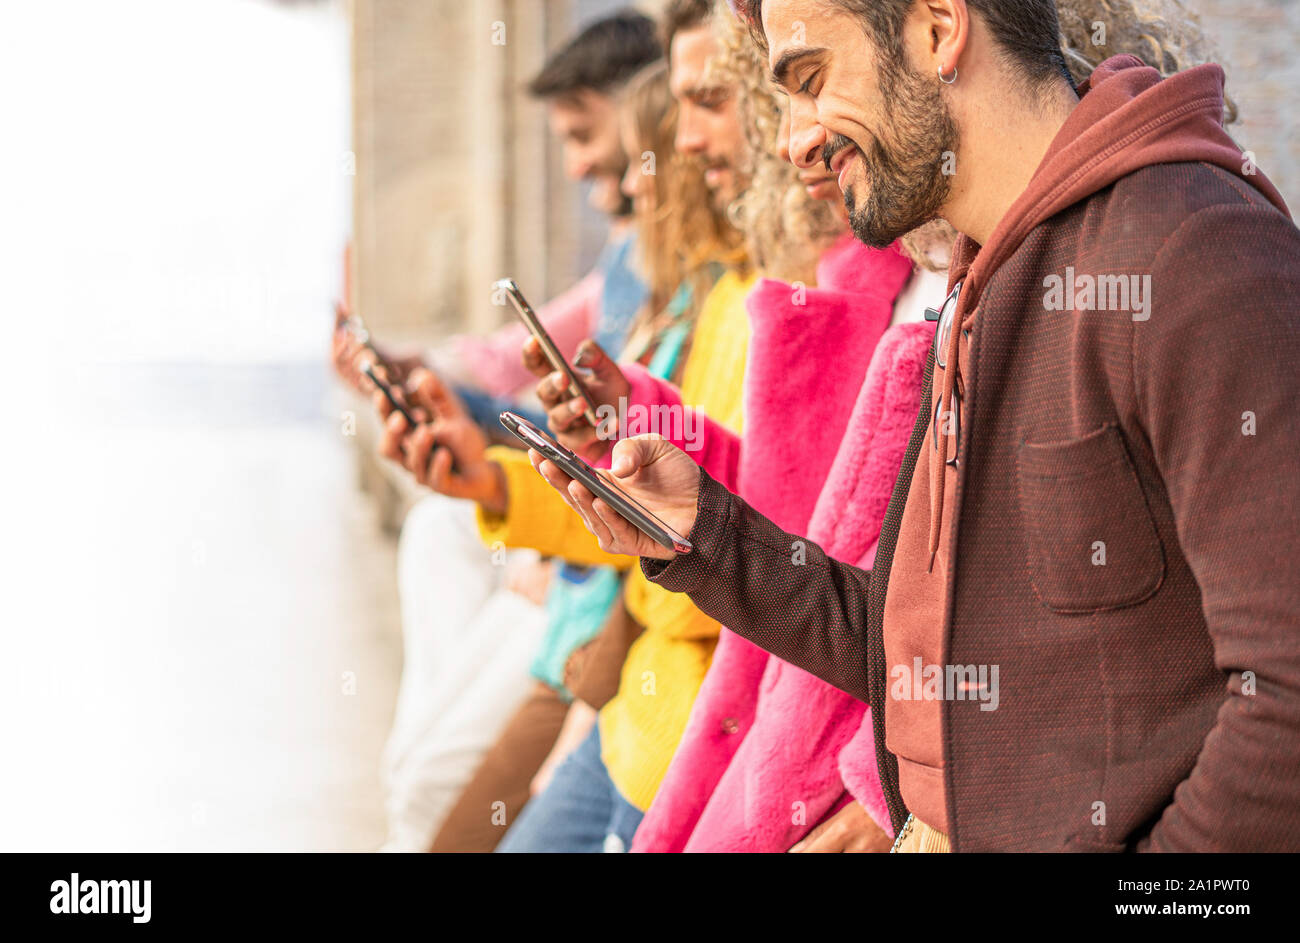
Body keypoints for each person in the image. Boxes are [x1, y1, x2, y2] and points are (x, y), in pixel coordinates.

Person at [528, 0, 1300, 852]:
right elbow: (932, 657)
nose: (791, 141)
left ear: (938, 27)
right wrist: (704, 533)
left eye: (811, 80)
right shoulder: (984, 279)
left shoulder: (1195, 249)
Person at [365, 9, 662, 852]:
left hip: (600, 584)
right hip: (581, 552)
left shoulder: (670, 272)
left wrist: (541, 518)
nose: (573, 164)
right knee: (435, 528)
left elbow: (655, 457)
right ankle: (444, 728)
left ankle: (446, 740)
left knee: (420, 785)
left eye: (582, 133)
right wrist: (446, 384)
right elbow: (524, 370)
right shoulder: (629, 260)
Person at [425, 59, 730, 853]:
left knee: (431, 791)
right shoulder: (672, 298)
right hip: (618, 656)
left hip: (630, 660)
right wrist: (497, 476)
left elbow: (720, 517)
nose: (624, 192)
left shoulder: (727, 308)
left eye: (643, 166)